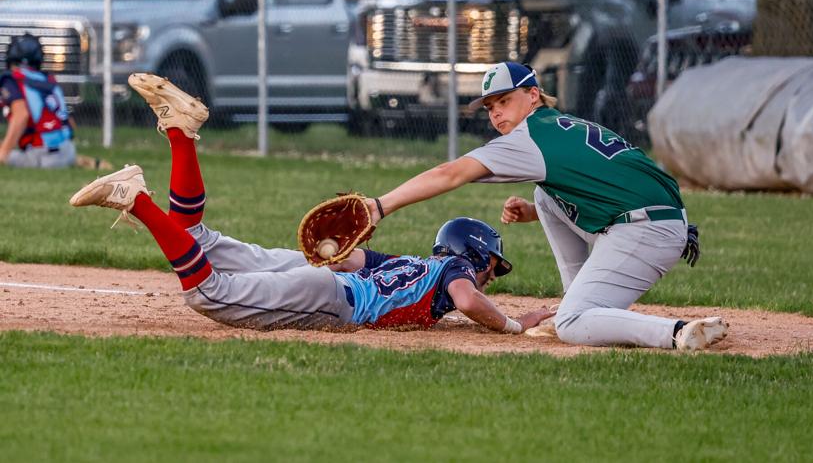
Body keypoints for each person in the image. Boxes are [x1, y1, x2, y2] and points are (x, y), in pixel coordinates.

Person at [69, 73, 553, 333]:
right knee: (207, 292)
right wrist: (511, 323)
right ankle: (138, 200)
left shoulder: (410, 264)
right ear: (475, 255)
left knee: (198, 240)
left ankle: (181, 132)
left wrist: (329, 245)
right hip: (334, 297)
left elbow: (351, 256)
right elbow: (469, 299)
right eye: (493, 265)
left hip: (325, 275)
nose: (491, 275)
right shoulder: (455, 276)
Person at [364, 61, 728, 351]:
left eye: (505, 100)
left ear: (534, 95)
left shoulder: (529, 138)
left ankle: (677, 331)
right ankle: (577, 303)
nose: (496, 113)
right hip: (653, 218)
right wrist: (537, 211)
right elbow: (606, 177)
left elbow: (449, 173)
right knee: (543, 194)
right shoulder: (559, 126)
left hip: (643, 230)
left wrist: (381, 206)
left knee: (572, 324)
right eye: (490, 106)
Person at [0, 33, 76, 168]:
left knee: (4, 150)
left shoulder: (12, 79)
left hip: (43, 156)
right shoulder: (47, 78)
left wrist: (3, 153)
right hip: (69, 151)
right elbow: (69, 122)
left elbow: (21, 116)